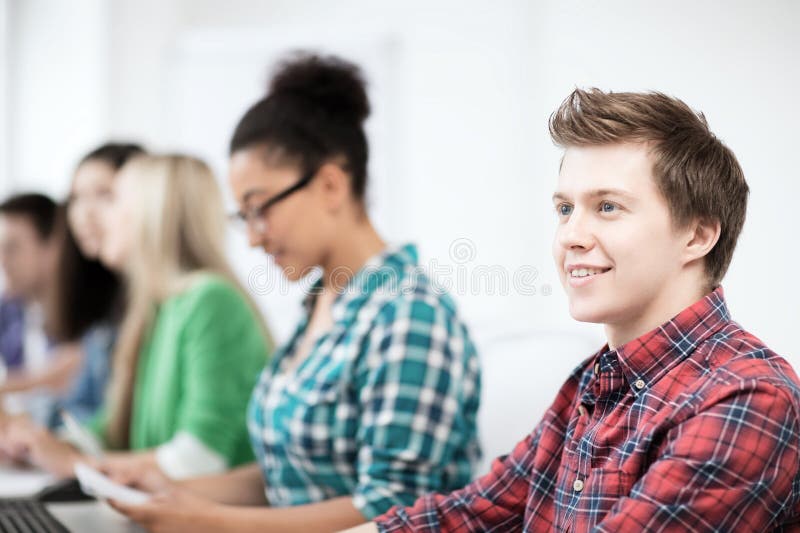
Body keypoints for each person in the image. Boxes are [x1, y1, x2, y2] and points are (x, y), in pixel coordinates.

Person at [345, 89, 800, 532]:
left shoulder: (747, 397)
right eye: (564, 209)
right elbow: (472, 512)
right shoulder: (593, 381)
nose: (570, 236)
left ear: (697, 236)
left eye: (607, 206)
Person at [107, 53, 481, 533]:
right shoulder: (321, 304)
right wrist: (167, 491)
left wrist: (211, 521)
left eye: (259, 208)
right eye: (242, 216)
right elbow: (289, 477)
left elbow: (393, 510)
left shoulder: (408, 315)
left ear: (330, 184)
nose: (253, 237)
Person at [0, 154, 272, 481]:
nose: (94, 218)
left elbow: (201, 457)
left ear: (151, 214)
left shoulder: (209, 299)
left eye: (111, 200)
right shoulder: (157, 309)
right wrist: (43, 447)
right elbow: (112, 431)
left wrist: (76, 465)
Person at [44, 142, 144, 426]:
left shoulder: (176, 301)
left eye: (104, 195)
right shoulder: (110, 299)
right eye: (76, 198)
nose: (84, 213)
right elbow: (83, 404)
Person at [0, 193, 78, 422]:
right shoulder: (8, 311)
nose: (2, 261)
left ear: (52, 247)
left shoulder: (84, 305)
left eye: (12, 248)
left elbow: (69, 371)